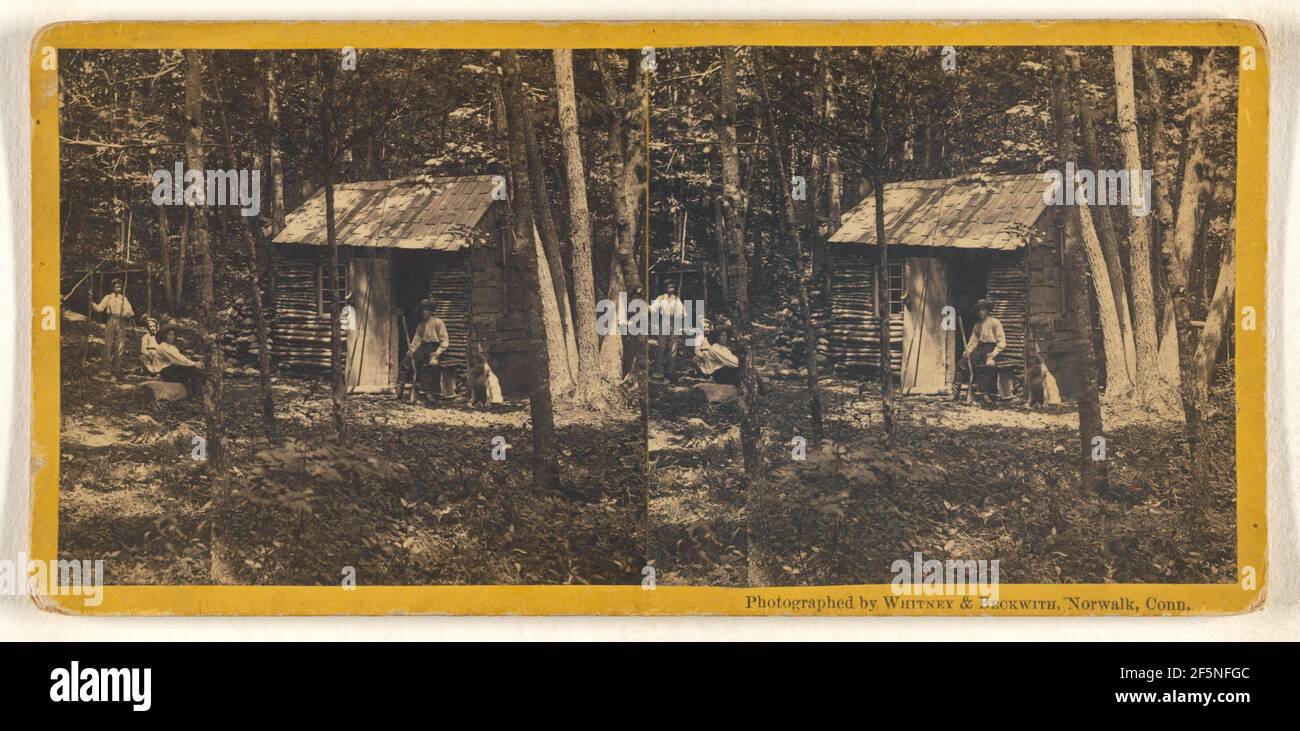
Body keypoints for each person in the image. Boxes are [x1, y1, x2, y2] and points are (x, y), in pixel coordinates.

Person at [963, 298, 1006, 403]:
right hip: (980, 349)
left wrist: (993, 354)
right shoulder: (977, 326)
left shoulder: (995, 323)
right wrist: (967, 350)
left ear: (987, 310)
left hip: (992, 348)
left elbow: (1001, 342)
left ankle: (984, 392)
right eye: (978, 310)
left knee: (989, 365)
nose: (980, 312)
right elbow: (973, 342)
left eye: (982, 310)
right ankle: (974, 387)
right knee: (966, 361)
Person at [408, 301, 453, 402]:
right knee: (410, 362)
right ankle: (400, 391)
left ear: (431, 311)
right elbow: (417, 340)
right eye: (422, 310)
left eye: (426, 310)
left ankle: (431, 393)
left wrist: (437, 353)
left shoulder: (438, 323)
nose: (424, 312)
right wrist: (412, 350)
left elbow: (444, 341)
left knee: (432, 365)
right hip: (423, 348)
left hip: (435, 348)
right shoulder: (420, 325)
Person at [92, 278, 134, 378]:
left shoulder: (124, 299)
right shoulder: (108, 297)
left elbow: (130, 312)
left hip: (121, 321)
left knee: (120, 344)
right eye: (116, 287)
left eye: (120, 287)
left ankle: (116, 368)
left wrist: (125, 313)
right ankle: (105, 368)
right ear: (112, 287)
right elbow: (100, 308)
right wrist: (91, 302)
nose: (118, 289)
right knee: (108, 344)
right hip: (111, 320)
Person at [149, 327, 204, 395]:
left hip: (171, 369)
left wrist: (194, 363)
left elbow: (180, 357)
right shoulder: (162, 347)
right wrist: (194, 363)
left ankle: (196, 392)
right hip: (165, 372)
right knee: (193, 371)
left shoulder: (172, 347)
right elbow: (177, 359)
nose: (172, 336)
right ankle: (196, 394)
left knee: (194, 370)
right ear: (164, 336)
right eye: (169, 334)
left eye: (173, 334)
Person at [650, 280, 686, 381]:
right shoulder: (660, 298)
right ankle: (658, 371)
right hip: (664, 322)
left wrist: (679, 314)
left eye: (673, 287)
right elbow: (653, 309)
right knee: (661, 347)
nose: (671, 289)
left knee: (673, 348)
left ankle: (670, 371)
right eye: (669, 287)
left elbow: (684, 314)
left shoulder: (677, 299)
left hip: (675, 323)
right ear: (665, 288)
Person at [692, 315, 740, 386]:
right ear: (716, 337)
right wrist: (702, 356)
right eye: (722, 336)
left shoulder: (723, 347)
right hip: (717, 372)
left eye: (726, 335)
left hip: (719, 367)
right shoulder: (715, 348)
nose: (725, 338)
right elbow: (735, 363)